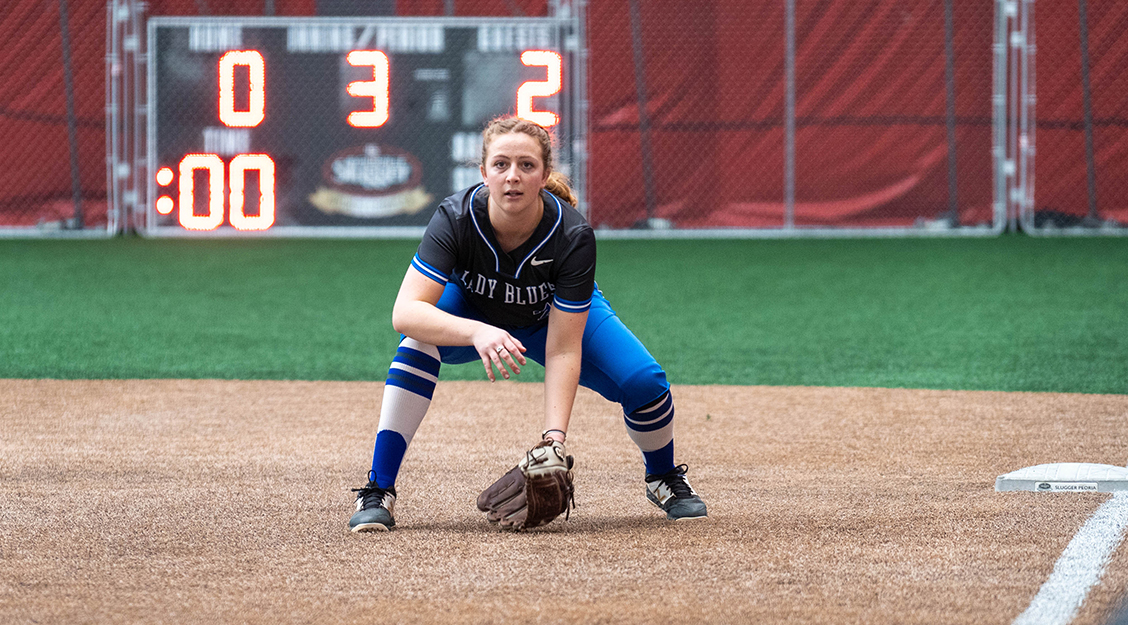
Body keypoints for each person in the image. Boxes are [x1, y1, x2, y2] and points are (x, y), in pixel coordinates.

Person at [349, 116, 707, 532]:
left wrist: (554, 440)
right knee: (418, 340)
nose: (512, 177)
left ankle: (662, 477)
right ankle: (378, 490)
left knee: (645, 382)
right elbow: (405, 312)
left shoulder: (571, 235)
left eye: (526, 166)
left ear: (545, 175)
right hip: (475, 315)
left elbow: (562, 349)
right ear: (483, 173)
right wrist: (477, 331)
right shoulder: (456, 217)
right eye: (500, 165)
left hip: (547, 322)